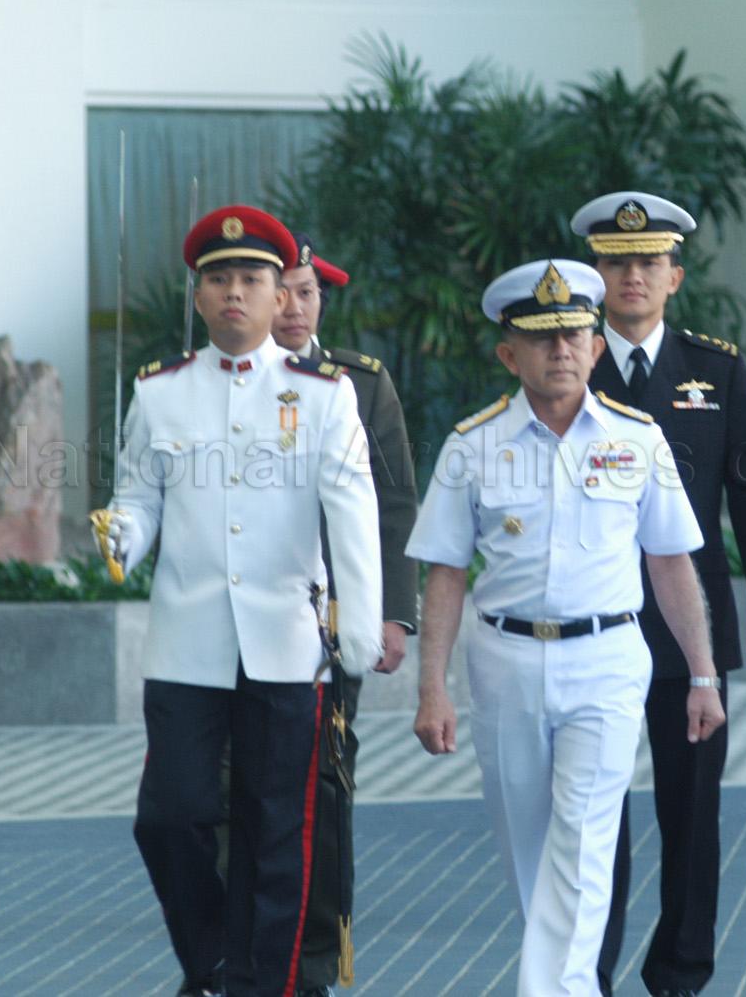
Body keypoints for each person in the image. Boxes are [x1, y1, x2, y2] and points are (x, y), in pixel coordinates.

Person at [406, 258, 725, 997]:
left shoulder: (637, 437)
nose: (562, 351)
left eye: (575, 334)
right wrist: (433, 689)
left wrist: (703, 672)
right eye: (541, 338)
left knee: (583, 839)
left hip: (608, 659)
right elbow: (446, 571)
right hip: (507, 661)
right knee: (530, 850)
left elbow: (672, 563)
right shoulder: (471, 445)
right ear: (508, 352)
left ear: (594, 344)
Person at [95, 204, 383, 997]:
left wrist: (359, 628)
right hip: (187, 644)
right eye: (218, 278)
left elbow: (355, 515)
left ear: (277, 291)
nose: (234, 293)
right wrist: (122, 534)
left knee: (276, 830)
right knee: (171, 815)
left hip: (287, 642)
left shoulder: (323, 395)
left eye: (251, 279)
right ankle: (216, 958)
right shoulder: (160, 392)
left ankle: (272, 982)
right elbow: (139, 497)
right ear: (198, 295)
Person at [570, 191, 746, 997]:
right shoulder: (568, 361)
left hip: (686, 631)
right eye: (616, 262)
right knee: (594, 812)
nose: (632, 275)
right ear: (596, 275)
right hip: (589, 625)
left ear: (675, 275)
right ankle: (584, 970)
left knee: (692, 810)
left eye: (647, 262)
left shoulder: (715, 368)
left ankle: (680, 972)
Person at [271, 232, 418, 995]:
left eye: (308, 292)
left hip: (331, 627)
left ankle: (318, 956)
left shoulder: (360, 382)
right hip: (242, 623)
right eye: (283, 290)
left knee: (322, 788)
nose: (295, 308)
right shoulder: (220, 382)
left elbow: (395, 503)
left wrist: (392, 613)